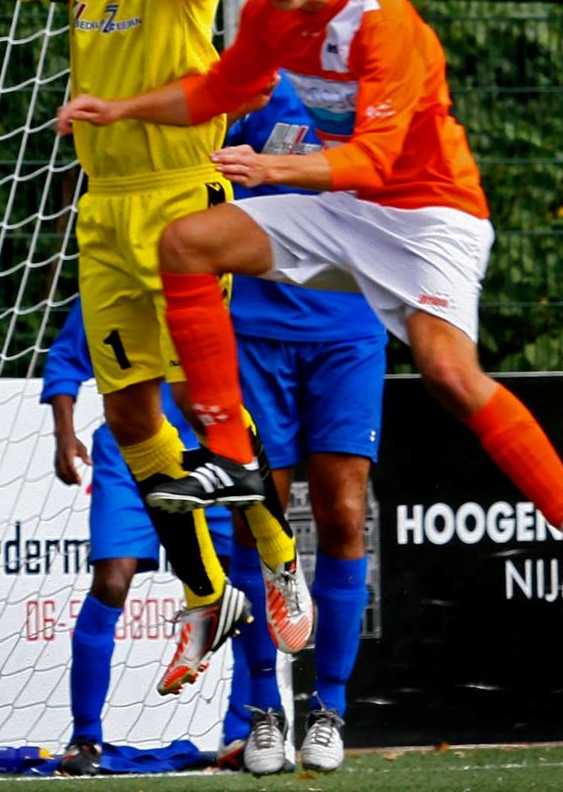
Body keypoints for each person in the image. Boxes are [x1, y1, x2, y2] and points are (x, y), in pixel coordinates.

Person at [55, 0, 563, 599]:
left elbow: (375, 159)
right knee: (186, 243)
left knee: (448, 373)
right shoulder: (270, 10)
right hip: (343, 206)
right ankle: (233, 455)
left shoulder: (381, 21)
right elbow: (216, 91)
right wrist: (118, 108)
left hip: (430, 215)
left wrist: (273, 170)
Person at [0, 0, 310, 746]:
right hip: (105, 214)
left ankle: (275, 555)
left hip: (180, 201)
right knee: (130, 413)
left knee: (204, 402)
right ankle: (207, 592)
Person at [211, 74, 389, 775]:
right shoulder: (261, 83)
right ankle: (263, 711)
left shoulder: (375, 92)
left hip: (349, 331)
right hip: (255, 332)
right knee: (257, 517)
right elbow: (197, 160)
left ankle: (329, 710)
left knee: (344, 514)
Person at [39, 301, 234, 774]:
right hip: (127, 455)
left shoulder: (215, 283)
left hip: (205, 455)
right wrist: (64, 434)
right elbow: (65, 358)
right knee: (111, 582)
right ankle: (85, 738)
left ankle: (245, 730)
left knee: (240, 583)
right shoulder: (110, 283)